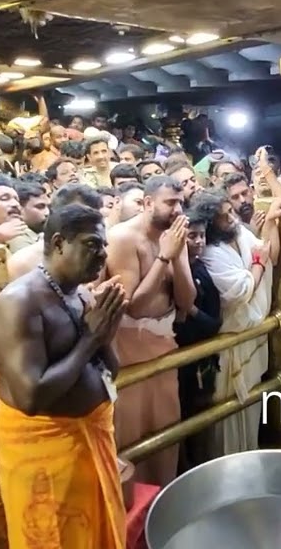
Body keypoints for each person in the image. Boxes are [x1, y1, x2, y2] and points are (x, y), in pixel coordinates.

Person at [0, 205, 129, 549]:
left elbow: (111, 370)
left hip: (91, 442)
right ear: (59, 243)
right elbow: (30, 397)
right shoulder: (20, 303)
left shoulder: (79, 293)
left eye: (104, 245)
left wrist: (105, 333)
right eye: (92, 244)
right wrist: (91, 338)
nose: (103, 255)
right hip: (45, 461)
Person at [104, 175, 195, 486]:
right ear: (146, 203)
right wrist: (164, 256)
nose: (178, 209)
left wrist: (178, 256)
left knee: (165, 432)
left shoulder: (173, 236)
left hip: (164, 345)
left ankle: (161, 501)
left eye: (181, 202)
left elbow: (187, 299)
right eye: (170, 202)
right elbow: (134, 306)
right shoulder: (123, 238)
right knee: (131, 433)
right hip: (129, 349)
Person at [193, 189, 281, 455]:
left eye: (230, 211)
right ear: (211, 225)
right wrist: (257, 264)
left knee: (250, 411)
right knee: (227, 419)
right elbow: (242, 289)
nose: (232, 218)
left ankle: (249, 462)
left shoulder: (240, 234)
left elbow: (267, 255)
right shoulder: (210, 253)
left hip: (250, 337)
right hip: (228, 345)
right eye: (223, 217)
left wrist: (269, 224)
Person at [171, 213, 223, 469]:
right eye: (192, 236)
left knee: (199, 423)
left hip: (201, 358)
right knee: (179, 425)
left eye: (202, 235)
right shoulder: (174, 271)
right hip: (178, 360)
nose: (199, 241)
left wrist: (189, 310)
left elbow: (214, 323)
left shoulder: (202, 268)